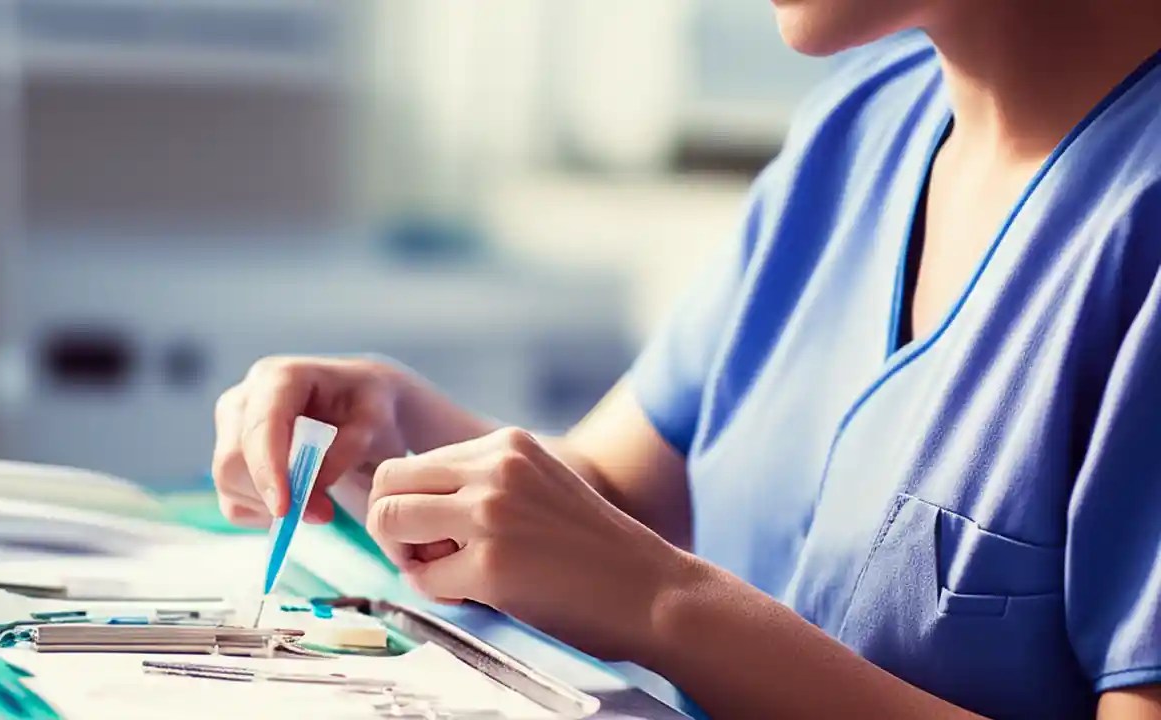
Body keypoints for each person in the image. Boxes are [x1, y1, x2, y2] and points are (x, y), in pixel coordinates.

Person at [211, 0, 1161, 716]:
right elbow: (613, 501)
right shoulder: (864, 126)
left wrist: (668, 608)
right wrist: (401, 446)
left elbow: (633, 574)